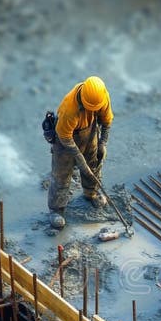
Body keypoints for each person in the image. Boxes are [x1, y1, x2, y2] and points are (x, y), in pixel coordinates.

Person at [47, 76, 113, 229]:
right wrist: (79, 160)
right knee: (61, 175)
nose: (93, 110)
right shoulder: (69, 109)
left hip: (89, 133)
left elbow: (106, 122)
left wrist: (103, 143)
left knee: (93, 165)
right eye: (90, 107)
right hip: (65, 142)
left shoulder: (102, 98)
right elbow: (65, 137)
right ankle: (56, 209)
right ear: (83, 100)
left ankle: (91, 193)